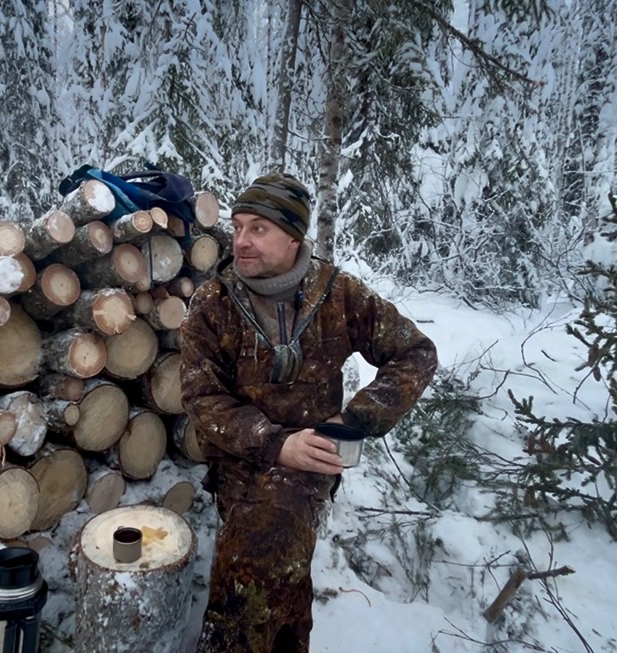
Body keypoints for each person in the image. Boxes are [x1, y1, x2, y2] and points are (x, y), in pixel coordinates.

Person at [179, 173, 439, 653]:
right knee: (271, 560)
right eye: (237, 227)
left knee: (268, 547)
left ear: (294, 236)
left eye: (258, 228)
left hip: (315, 455)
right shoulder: (213, 304)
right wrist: (276, 443)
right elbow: (201, 398)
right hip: (242, 454)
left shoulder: (337, 294)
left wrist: (357, 420)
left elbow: (416, 354)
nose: (240, 241)